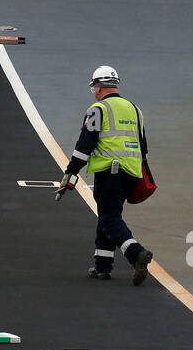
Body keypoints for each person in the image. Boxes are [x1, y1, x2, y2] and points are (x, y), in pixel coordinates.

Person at [57, 65, 153, 284]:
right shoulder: (135, 109)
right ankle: (103, 266)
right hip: (133, 171)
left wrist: (71, 171)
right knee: (108, 215)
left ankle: (136, 253)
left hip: (110, 171)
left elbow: (85, 144)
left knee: (110, 218)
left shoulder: (98, 109)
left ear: (98, 88)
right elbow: (143, 146)